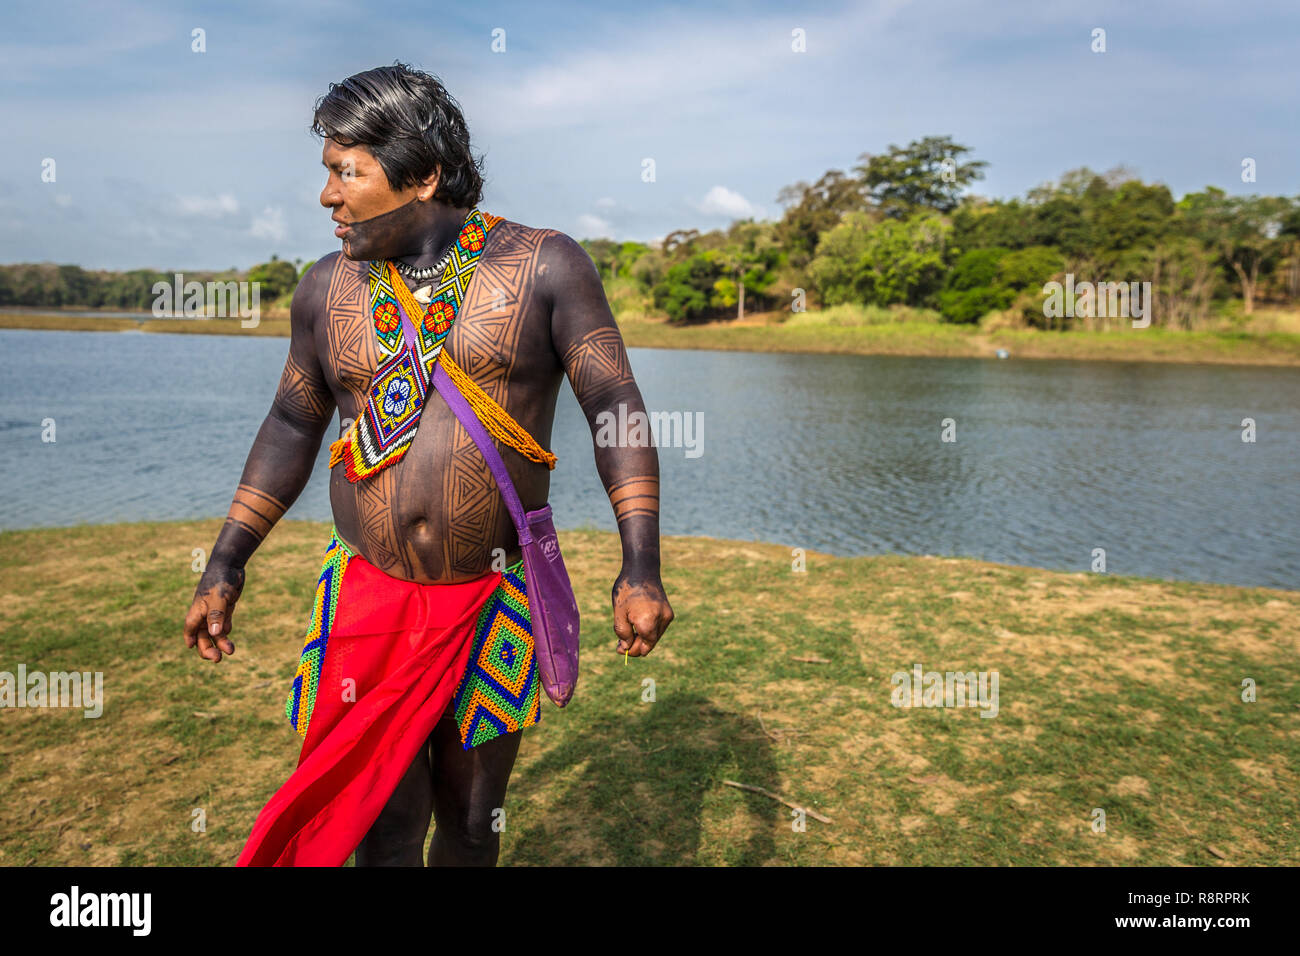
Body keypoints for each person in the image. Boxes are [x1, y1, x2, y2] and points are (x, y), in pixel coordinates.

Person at [181, 63, 674, 866]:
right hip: (364, 599)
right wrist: (226, 562)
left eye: (349, 172)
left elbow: (613, 403)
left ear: (422, 174)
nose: (327, 197)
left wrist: (640, 566)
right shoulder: (324, 291)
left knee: (474, 823)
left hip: (489, 598)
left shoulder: (544, 267)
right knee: (380, 823)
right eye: (327, 172)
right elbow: (290, 423)